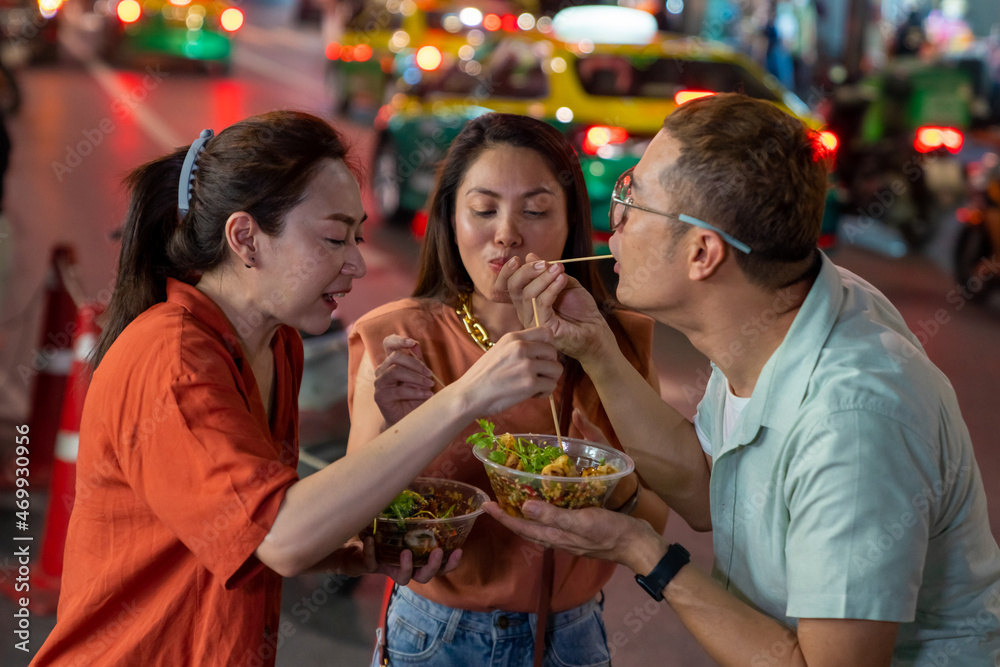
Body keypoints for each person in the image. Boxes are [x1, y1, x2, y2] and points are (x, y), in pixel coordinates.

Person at [30, 110, 564, 667]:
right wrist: (467, 396)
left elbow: (243, 532)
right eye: (335, 237)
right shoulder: (173, 359)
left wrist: (357, 555)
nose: (356, 263)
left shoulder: (276, 344)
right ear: (245, 238)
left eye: (357, 237)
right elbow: (280, 536)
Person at [489, 93, 1000, 665]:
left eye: (635, 202)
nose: (619, 221)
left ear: (703, 252)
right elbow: (716, 496)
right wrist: (597, 351)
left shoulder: (853, 421)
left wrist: (643, 551)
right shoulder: (780, 312)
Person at [346, 112, 670, 666]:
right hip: (434, 635)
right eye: (483, 208)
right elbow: (354, 521)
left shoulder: (617, 342)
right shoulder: (396, 340)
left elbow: (657, 519)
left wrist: (607, 487)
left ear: (571, 224)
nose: (506, 233)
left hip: (571, 635)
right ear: (449, 218)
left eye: (537, 209)